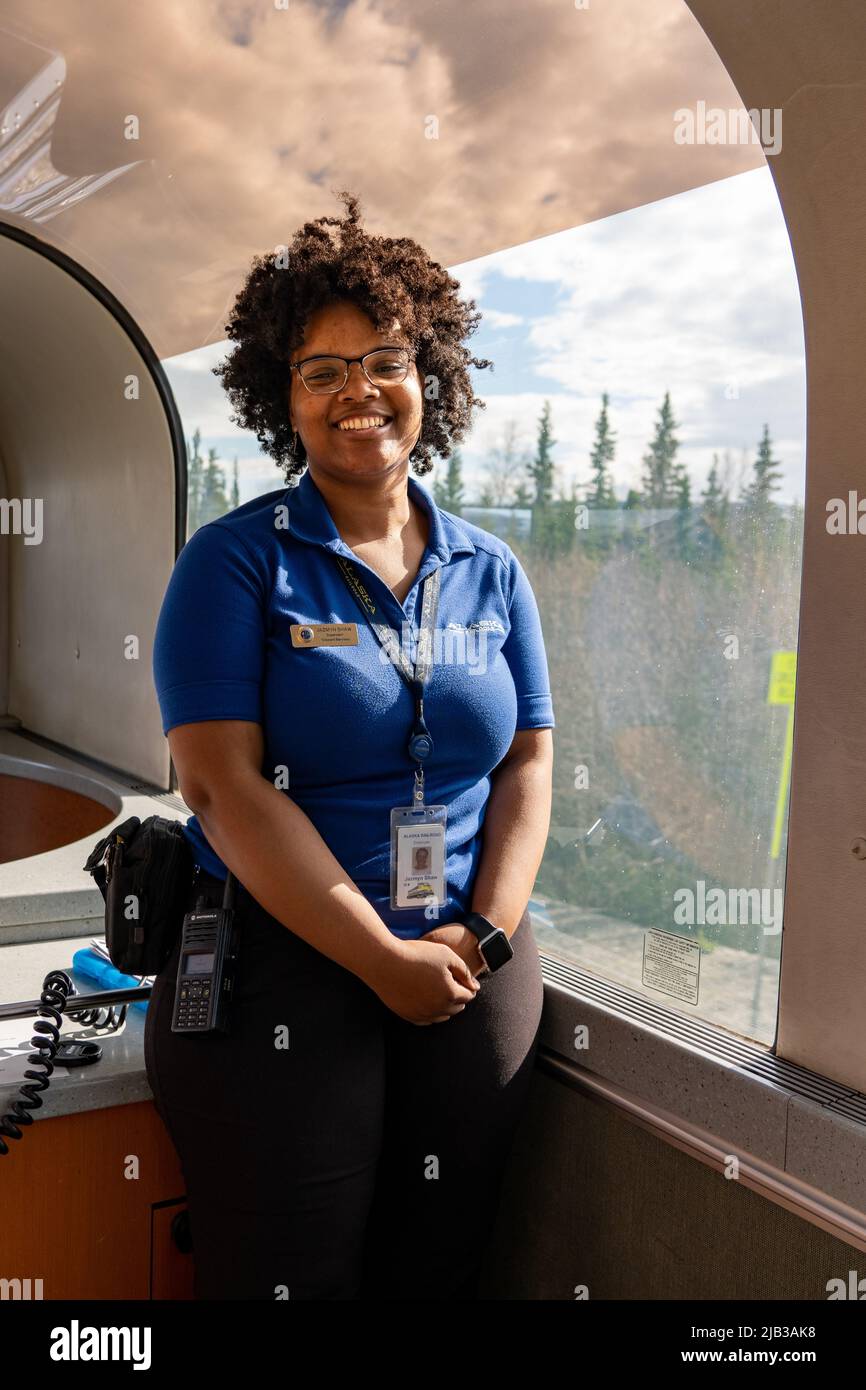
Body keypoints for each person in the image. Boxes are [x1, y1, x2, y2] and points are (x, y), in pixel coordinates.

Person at [144, 190, 555, 1301]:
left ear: (429, 377)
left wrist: (483, 933)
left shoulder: (491, 570)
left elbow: (524, 762)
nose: (355, 391)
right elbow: (222, 788)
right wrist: (379, 958)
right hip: (285, 954)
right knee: (291, 1274)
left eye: (380, 358)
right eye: (319, 371)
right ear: (283, 401)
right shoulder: (233, 564)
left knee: (441, 1259)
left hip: (471, 955)